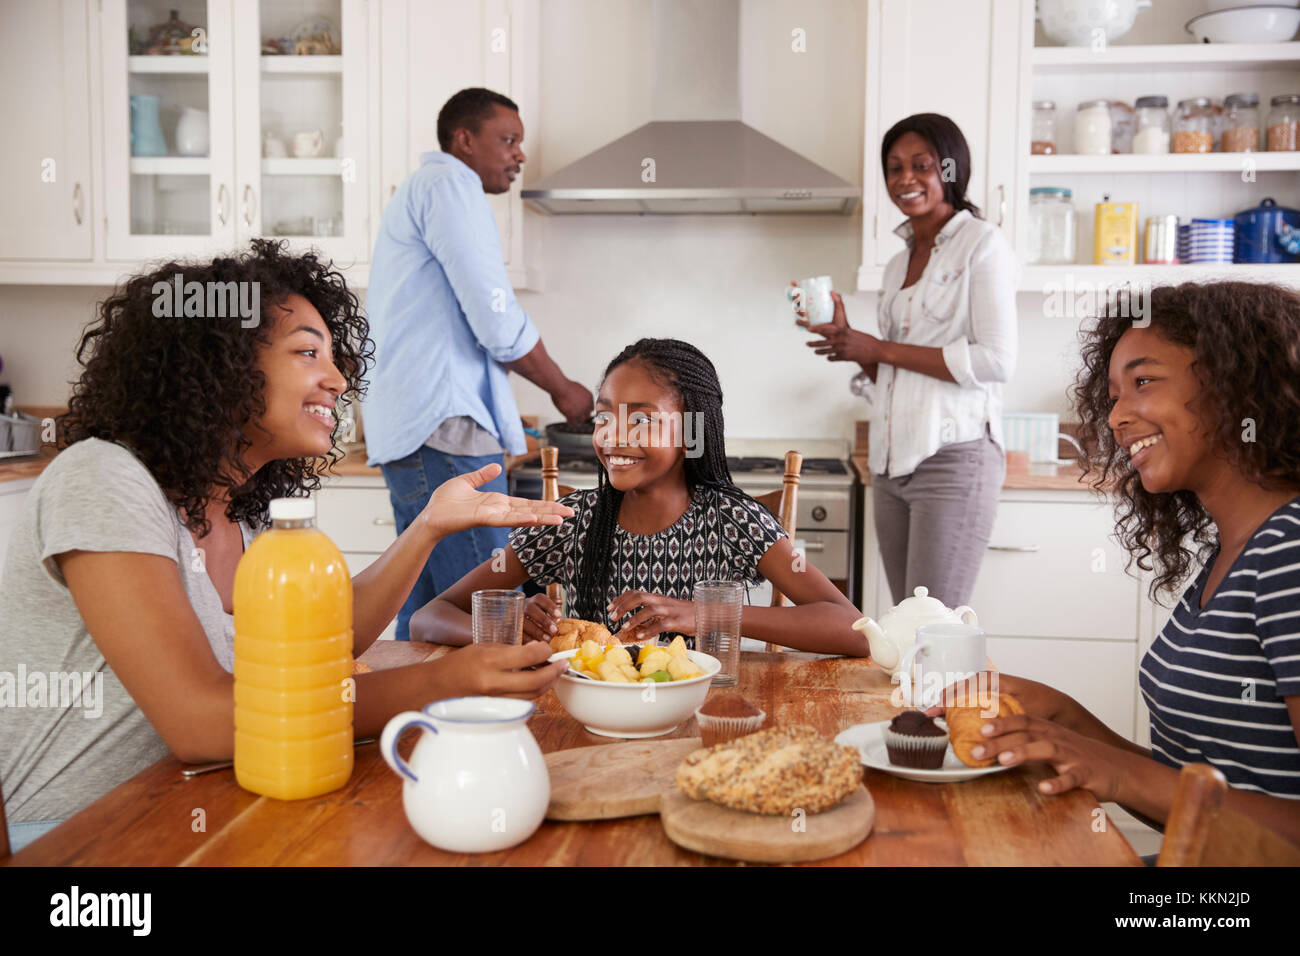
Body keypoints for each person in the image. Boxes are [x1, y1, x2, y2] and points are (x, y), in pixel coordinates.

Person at [0, 240, 573, 854]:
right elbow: (201, 721)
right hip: (83, 838)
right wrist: (442, 683)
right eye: (307, 352)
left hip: (199, 807)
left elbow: (319, 648)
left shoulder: (241, 517)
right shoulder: (102, 479)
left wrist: (429, 525)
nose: (337, 378)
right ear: (217, 365)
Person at [929, 282, 1300, 850]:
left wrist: (1118, 770)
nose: (1118, 417)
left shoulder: (1288, 554)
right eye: (1113, 394)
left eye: (1143, 382)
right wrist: (1067, 724)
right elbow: (1199, 810)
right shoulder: (1235, 551)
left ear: (1238, 384)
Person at [413, 338, 866, 655]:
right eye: (604, 417)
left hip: (699, 721)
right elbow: (430, 616)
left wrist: (707, 614)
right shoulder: (572, 521)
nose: (614, 437)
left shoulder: (731, 520)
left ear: (692, 430)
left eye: (642, 420)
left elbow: (853, 629)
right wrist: (503, 627)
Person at [363, 87, 593, 641]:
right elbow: (495, 318)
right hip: (443, 427)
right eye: (508, 140)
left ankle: (409, 726)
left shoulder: (431, 190)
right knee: (493, 614)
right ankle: (497, 728)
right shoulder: (449, 183)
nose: (519, 155)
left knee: (422, 613)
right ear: (464, 140)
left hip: (420, 428)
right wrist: (565, 390)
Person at [797, 113, 1017, 609]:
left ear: (951, 169)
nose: (905, 179)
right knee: (905, 622)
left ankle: (947, 692)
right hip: (891, 463)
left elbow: (997, 360)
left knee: (932, 628)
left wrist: (877, 348)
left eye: (921, 165)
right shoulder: (897, 264)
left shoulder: (983, 244)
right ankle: (917, 692)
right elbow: (896, 374)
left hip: (954, 457)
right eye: (894, 168)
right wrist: (850, 342)